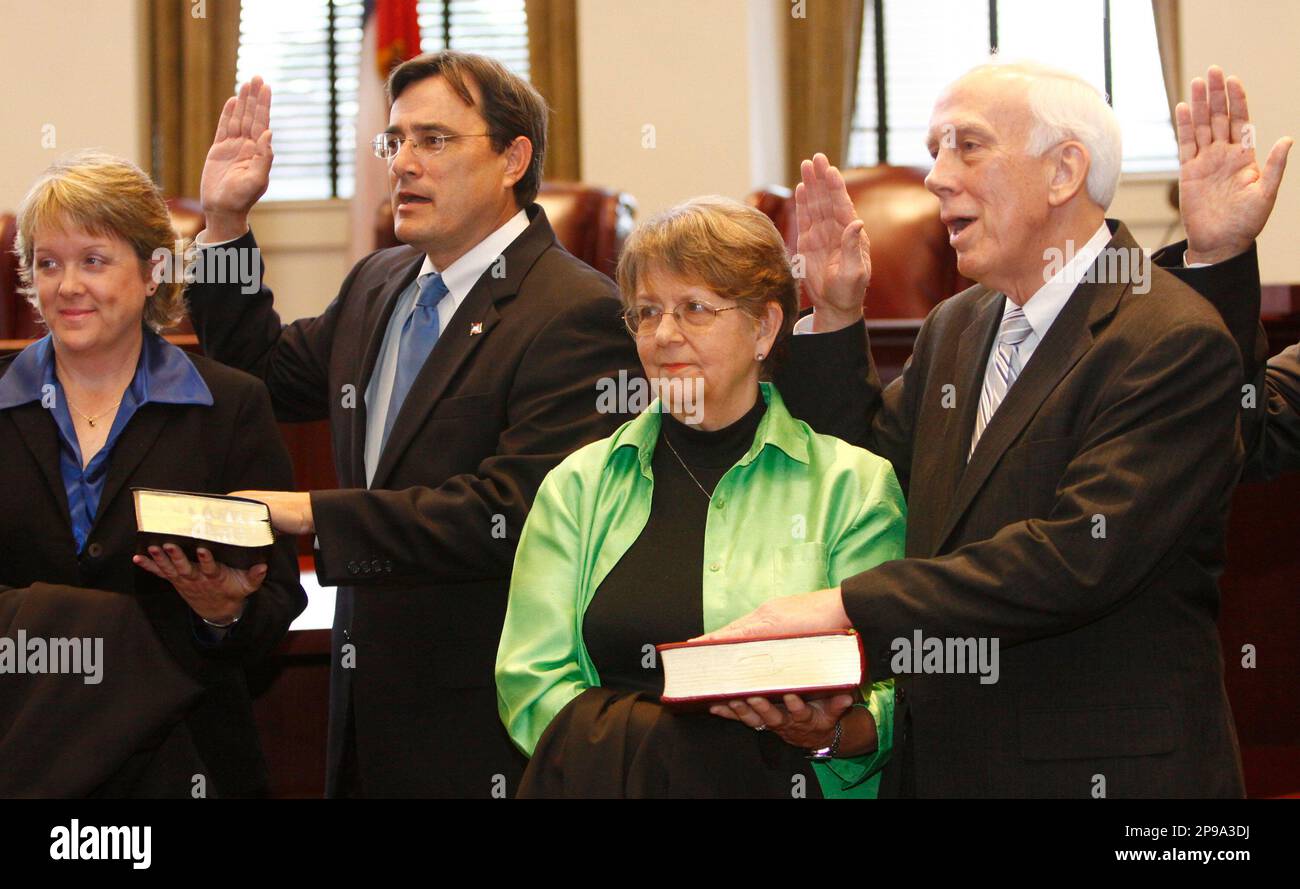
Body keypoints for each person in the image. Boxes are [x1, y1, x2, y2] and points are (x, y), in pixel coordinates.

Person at [704, 61, 1284, 798]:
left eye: (967, 147)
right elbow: (871, 479)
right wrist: (841, 312)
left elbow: (1076, 558)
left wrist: (845, 607)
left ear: (1063, 170)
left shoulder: (1170, 336)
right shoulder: (960, 323)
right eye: (936, 149)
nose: (936, 177)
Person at [186, 51, 640, 797]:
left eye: (433, 140)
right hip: (366, 708)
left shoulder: (575, 311)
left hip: (485, 724)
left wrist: (310, 513)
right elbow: (258, 372)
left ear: (512, 158)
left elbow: (511, 511)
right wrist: (228, 224)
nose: (403, 163)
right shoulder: (380, 281)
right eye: (394, 141)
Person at [495, 197, 906, 798]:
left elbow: (891, 690)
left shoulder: (854, 486)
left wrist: (828, 732)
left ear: (764, 327)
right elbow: (529, 681)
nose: (664, 335)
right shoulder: (577, 487)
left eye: (693, 309)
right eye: (645, 312)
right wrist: (675, 762)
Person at [0, 151, 304, 797]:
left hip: (186, 756)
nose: (67, 285)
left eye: (93, 260)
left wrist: (222, 613)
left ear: (152, 271)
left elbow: (277, 596)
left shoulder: (231, 405)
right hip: (22, 751)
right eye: (47, 263)